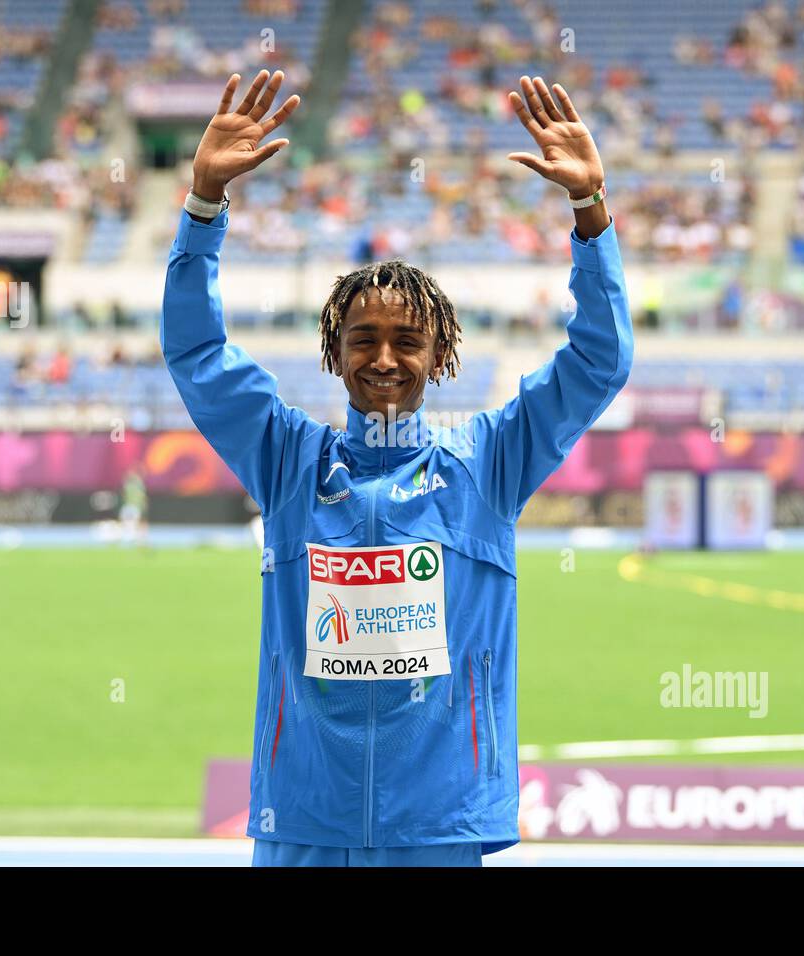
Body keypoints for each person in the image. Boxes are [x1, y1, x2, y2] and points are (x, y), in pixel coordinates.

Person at [161, 70, 632, 867]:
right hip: (305, 818)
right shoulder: (286, 461)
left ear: (439, 354)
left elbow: (598, 360)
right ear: (335, 355)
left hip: (440, 824)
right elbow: (197, 353)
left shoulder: (490, 460)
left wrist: (591, 218)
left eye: (407, 340)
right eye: (362, 340)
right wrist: (204, 205)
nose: (384, 358)